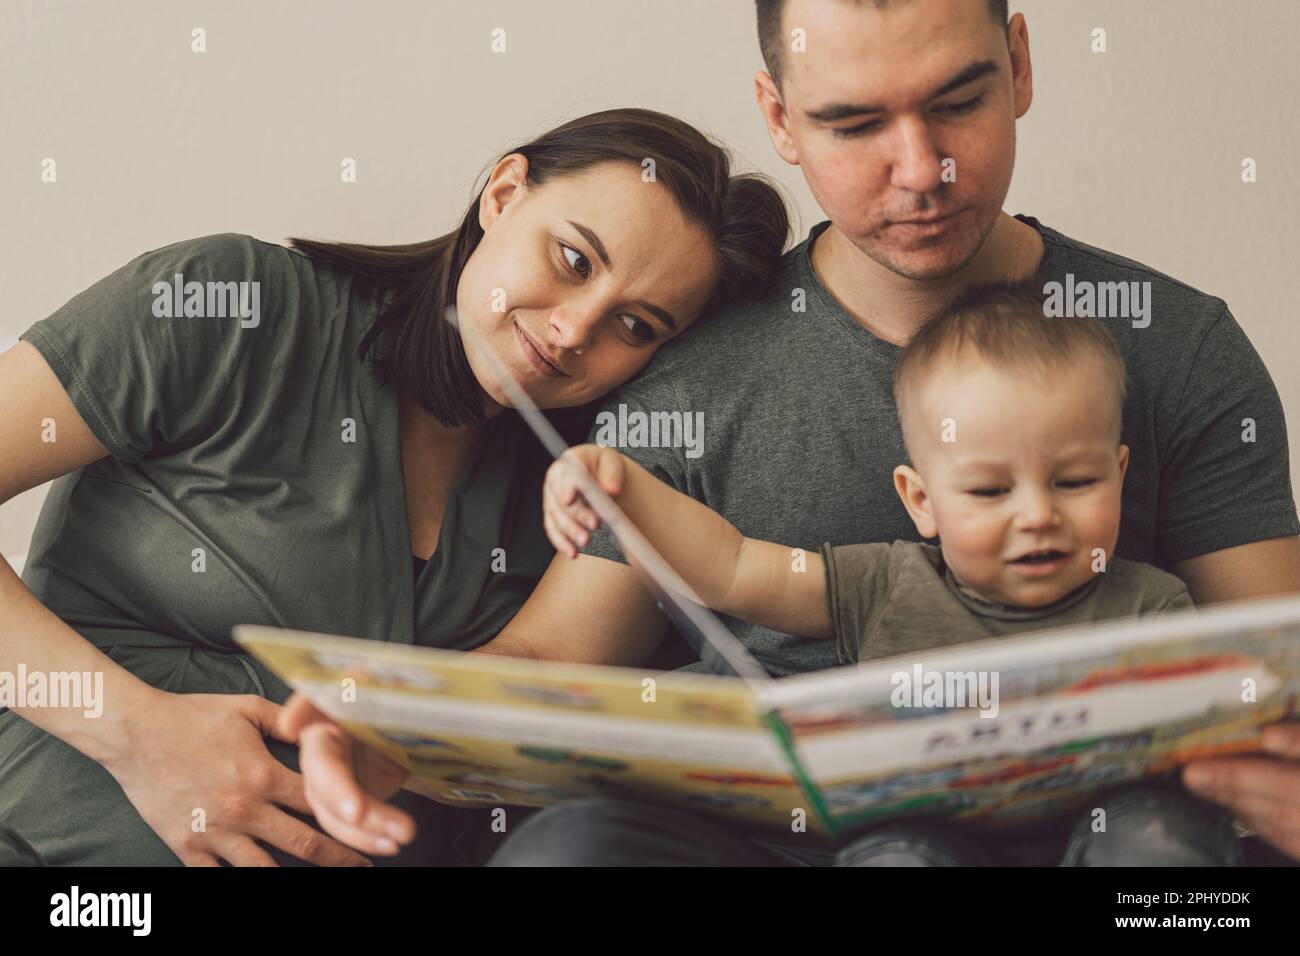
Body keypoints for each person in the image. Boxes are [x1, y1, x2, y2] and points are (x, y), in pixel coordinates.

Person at [287, 0, 1300, 864]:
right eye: (853, 122)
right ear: (778, 117)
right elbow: (555, 655)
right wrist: (388, 738)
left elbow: (1266, 677)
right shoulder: (690, 365)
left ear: (1021, 65)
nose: (920, 171)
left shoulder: (1175, 347)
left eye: (957, 102)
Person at [0, 108, 789, 866]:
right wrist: (137, 735)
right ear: (505, 194)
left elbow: (544, 679)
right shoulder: (234, 307)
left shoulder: (586, 488)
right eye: (574, 261)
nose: (575, 329)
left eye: (637, 326)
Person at [540, 282, 1240, 866]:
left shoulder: (1151, 606)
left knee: (1160, 842)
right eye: (991, 492)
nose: (1037, 516)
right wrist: (623, 485)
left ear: (1119, 475)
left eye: (1076, 481)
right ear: (921, 502)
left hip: (1097, 832)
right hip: (920, 834)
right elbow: (729, 567)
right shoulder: (888, 584)